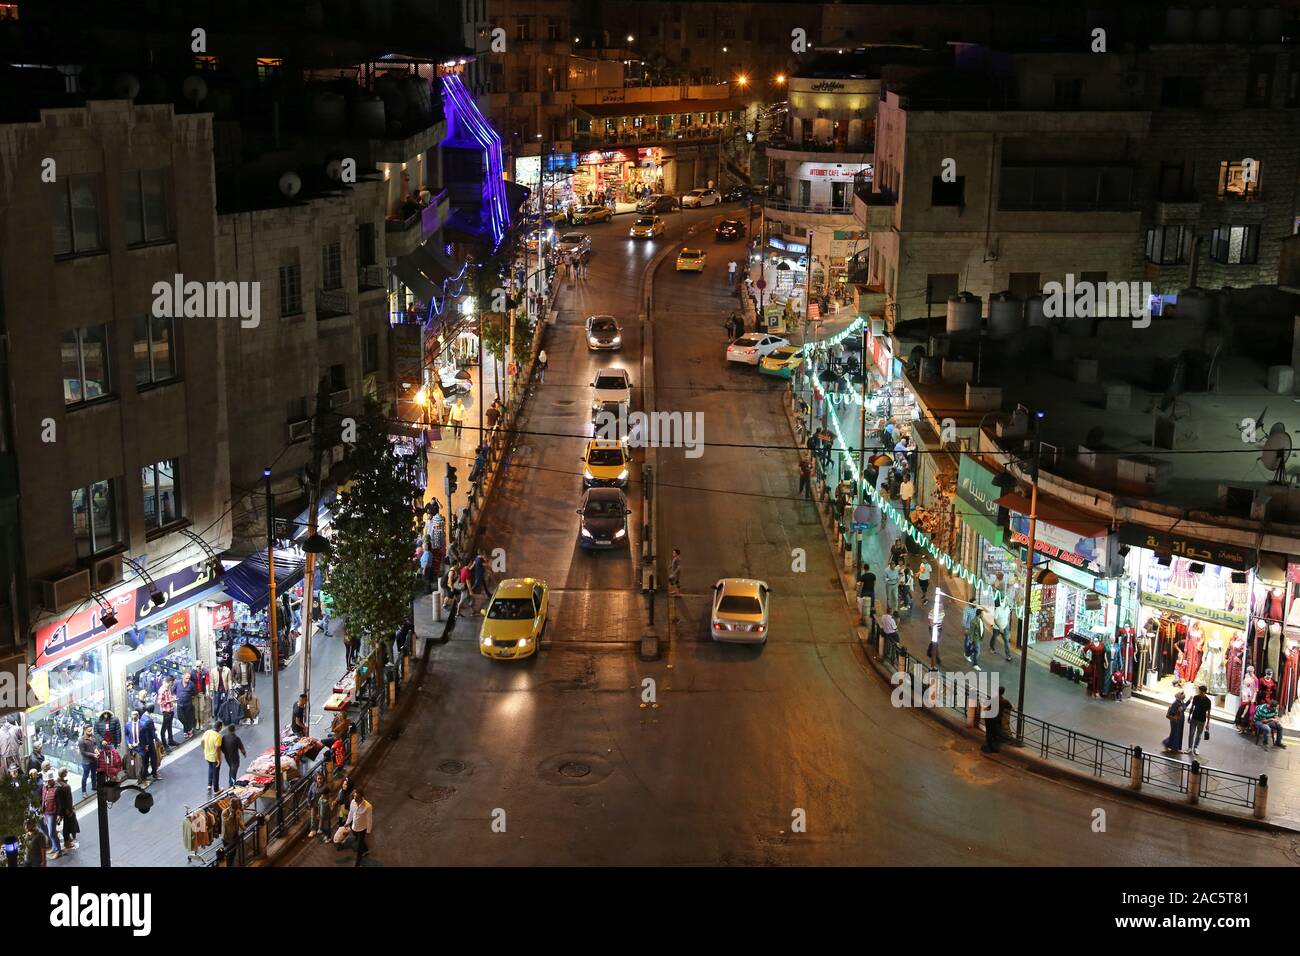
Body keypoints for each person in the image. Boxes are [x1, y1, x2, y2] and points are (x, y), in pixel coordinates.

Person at [346, 788, 373, 866]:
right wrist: (347, 822)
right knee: (358, 840)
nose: (354, 798)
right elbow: (351, 813)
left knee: (359, 847)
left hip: (362, 829)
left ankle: (357, 863)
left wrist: (368, 831)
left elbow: (369, 819)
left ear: (361, 797)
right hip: (354, 827)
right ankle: (366, 849)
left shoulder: (368, 806)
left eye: (357, 797)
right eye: (354, 796)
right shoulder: (353, 802)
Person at [54, 768, 78, 852]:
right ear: (64, 774)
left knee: (66, 825)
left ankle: (67, 839)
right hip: (66, 809)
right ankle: (66, 841)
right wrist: (70, 809)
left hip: (59, 808)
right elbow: (68, 800)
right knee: (67, 825)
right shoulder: (66, 787)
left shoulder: (56, 783)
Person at [983, 686, 1012, 753]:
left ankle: (989, 747)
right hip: (996, 720)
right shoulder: (1005, 701)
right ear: (1003, 692)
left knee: (989, 732)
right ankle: (992, 748)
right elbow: (1010, 707)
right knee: (993, 733)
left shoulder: (993, 699)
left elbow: (987, 707)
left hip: (989, 718)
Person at [40, 770, 61, 860]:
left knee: (51, 833)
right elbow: (44, 799)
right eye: (45, 781)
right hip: (46, 812)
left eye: (48, 780)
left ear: (52, 780)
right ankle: (54, 847)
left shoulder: (57, 789)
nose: (46, 782)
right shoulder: (45, 787)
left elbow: (60, 803)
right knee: (50, 832)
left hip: (52, 813)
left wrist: (60, 815)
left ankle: (58, 851)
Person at [1187, 684, 1211, 755]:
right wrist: (1189, 716)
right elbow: (1192, 707)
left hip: (1202, 720)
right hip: (1194, 718)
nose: (1200, 693)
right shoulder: (1196, 697)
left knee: (1199, 735)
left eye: (1201, 692)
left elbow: (1209, 713)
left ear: (1205, 692)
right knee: (1191, 733)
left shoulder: (1208, 701)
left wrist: (1208, 723)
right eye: (1199, 692)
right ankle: (1190, 747)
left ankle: (1195, 747)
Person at [221, 723, 247, 787]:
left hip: (227, 757)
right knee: (234, 771)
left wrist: (225, 752)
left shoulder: (224, 737)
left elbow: (221, 747)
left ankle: (231, 781)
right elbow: (241, 747)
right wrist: (244, 754)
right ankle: (232, 784)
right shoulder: (236, 738)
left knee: (231, 768)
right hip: (235, 758)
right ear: (234, 730)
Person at [308, 770, 332, 839]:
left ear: (323, 778)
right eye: (318, 778)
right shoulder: (313, 785)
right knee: (313, 817)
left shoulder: (325, 787)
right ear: (316, 778)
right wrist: (309, 802)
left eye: (321, 778)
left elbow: (328, 796)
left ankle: (320, 828)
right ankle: (313, 830)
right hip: (313, 802)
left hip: (321, 804)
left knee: (321, 816)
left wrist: (328, 804)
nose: (319, 780)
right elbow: (309, 793)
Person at [138, 706, 159, 781]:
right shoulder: (149, 720)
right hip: (149, 742)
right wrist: (157, 740)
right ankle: (154, 773)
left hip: (143, 742)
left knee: (145, 759)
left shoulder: (142, 716)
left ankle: (145, 774)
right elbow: (152, 733)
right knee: (154, 758)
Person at [203, 721, 224, 794]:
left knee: (210, 769)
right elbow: (217, 748)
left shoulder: (207, 732)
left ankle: (209, 785)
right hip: (214, 757)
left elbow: (202, 742)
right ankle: (216, 789)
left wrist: (205, 749)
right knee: (216, 773)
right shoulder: (218, 736)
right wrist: (218, 759)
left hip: (207, 755)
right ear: (220, 727)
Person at [78, 726, 98, 798]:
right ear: (84, 730)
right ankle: (84, 791)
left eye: (91, 730)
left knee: (94, 774)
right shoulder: (81, 740)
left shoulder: (92, 737)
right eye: (89, 731)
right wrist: (93, 754)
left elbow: (95, 745)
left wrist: (96, 750)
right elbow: (83, 752)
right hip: (86, 762)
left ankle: (94, 786)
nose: (91, 732)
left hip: (94, 760)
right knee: (85, 776)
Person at [158, 677, 177, 751]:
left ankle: (170, 740)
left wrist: (172, 698)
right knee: (163, 729)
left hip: (170, 710)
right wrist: (170, 700)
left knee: (169, 726)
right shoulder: (162, 690)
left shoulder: (168, 688)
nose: (172, 684)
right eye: (172, 682)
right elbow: (159, 702)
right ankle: (165, 745)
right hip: (166, 712)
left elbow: (168, 697)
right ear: (169, 682)